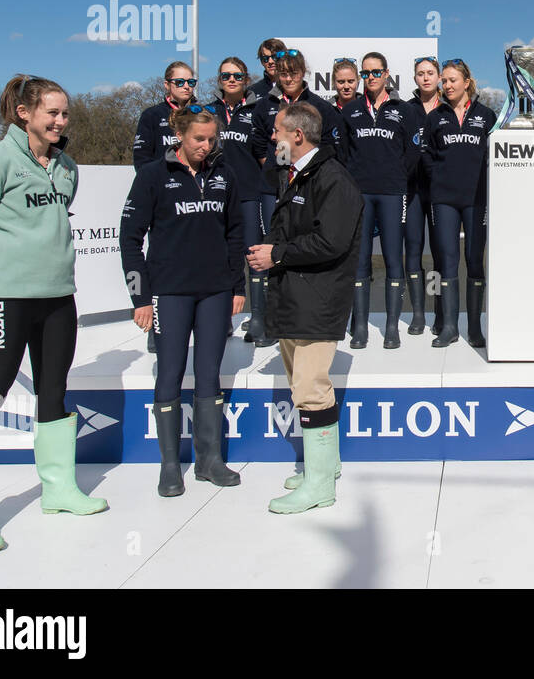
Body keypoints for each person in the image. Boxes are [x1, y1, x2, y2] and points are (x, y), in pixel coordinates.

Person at [0, 74, 108, 554]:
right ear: (25, 113)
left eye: (65, 114)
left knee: (54, 392)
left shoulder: (67, 167)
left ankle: (58, 490)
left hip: (58, 296)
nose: (61, 121)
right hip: (5, 299)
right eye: (52, 113)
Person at [120, 104, 246, 496]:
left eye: (212, 139)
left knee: (209, 373)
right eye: (199, 139)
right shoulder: (153, 175)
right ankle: (170, 465)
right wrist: (140, 297)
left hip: (215, 292)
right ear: (180, 136)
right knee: (170, 373)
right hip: (168, 293)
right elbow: (129, 238)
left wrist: (237, 287)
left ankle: (210, 460)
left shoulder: (225, 174)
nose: (206, 146)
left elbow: (236, 233)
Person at [246, 102, 362, 513]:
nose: (271, 136)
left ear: (297, 135)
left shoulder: (333, 179)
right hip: (295, 298)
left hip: (318, 301)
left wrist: (276, 254)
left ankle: (318, 487)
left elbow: (331, 242)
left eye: (277, 130)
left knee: (312, 390)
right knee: (302, 388)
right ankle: (324, 468)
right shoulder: (293, 174)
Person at [248, 47, 344, 349]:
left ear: (303, 73)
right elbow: (259, 144)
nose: (288, 78)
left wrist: (305, 173)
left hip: (306, 190)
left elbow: (332, 145)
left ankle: (297, 317)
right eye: (283, 72)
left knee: (296, 249)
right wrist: (278, 171)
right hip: (273, 188)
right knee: (269, 248)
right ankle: (264, 320)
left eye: (293, 72)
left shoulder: (319, 106)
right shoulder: (265, 105)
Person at [341, 52, 421, 350]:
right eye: (366, 73)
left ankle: (391, 327)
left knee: (391, 258)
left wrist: (397, 176)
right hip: (360, 194)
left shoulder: (403, 110)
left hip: (392, 193)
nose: (371, 78)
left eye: (376, 72)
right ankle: (360, 326)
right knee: (360, 259)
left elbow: (414, 150)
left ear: (387, 74)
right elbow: (343, 154)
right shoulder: (351, 111)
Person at [421, 58, 496, 348]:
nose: (447, 85)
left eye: (453, 80)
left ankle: (475, 329)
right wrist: (439, 176)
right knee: (447, 262)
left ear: (467, 83)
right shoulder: (435, 117)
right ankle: (450, 326)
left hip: (477, 200)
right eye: (445, 81)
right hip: (444, 200)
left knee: (475, 261)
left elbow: (494, 155)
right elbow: (425, 153)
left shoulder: (487, 116)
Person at [208, 57, 267, 344]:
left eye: (237, 76)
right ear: (219, 79)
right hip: (216, 195)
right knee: (219, 256)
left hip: (250, 193)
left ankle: (257, 317)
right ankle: (223, 317)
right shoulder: (208, 111)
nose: (231, 80)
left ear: (246, 79)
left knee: (254, 256)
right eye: (226, 75)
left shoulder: (259, 110)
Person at [406, 56, 442, 336]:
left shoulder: (448, 107)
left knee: (442, 254)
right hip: (413, 190)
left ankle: (441, 312)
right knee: (414, 251)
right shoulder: (406, 110)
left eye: (430, 73)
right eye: (421, 74)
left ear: (439, 76)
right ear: (415, 78)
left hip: (441, 191)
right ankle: (419, 313)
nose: (426, 78)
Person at [134, 61, 198, 169]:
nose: (186, 86)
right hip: (162, 182)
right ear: (167, 85)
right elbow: (142, 159)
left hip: (193, 182)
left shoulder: (201, 114)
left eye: (191, 82)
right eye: (179, 82)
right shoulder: (152, 114)